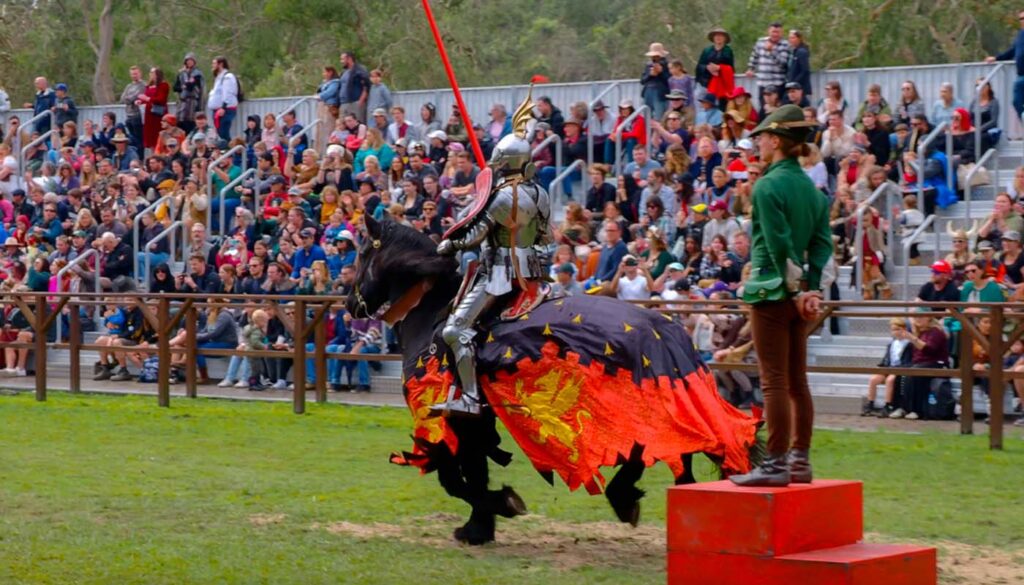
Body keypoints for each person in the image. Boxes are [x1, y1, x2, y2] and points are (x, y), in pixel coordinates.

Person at [430, 89, 552, 415]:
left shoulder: (500, 198)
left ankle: (469, 398)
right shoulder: (540, 194)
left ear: (504, 163)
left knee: (455, 330)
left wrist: (450, 243)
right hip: (534, 270)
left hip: (501, 272)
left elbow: (475, 234)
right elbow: (545, 234)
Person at [730, 104, 831, 488]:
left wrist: (793, 289)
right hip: (800, 298)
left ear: (775, 140)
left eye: (761, 137)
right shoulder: (813, 191)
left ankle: (774, 463)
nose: (757, 143)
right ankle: (800, 460)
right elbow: (821, 246)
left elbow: (777, 244)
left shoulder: (768, 185)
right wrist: (811, 289)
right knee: (796, 381)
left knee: (772, 381)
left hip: (772, 292)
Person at [986, 8, 1024, 119]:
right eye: (1021, 19)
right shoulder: (1020, 35)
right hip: (1020, 76)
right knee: (1016, 101)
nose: (1022, 20)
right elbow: (1012, 51)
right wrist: (996, 58)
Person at [745, 22, 790, 106]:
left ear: (781, 33)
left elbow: (783, 63)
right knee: (763, 108)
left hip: (778, 83)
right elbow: (754, 56)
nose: (775, 34)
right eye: (773, 32)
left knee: (777, 108)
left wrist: (771, 51)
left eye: (778, 32)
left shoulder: (785, 44)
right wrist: (751, 68)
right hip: (763, 82)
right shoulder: (760, 41)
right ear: (768, 31)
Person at [696, 26, 735, 102]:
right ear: (713, 38)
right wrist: (707, 68)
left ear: (725, 38)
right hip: (705, 83)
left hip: (721, 85)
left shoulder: (728, 51)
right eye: (716, 35)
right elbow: (699, 66)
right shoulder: (707, 51)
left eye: (721, 36)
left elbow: (731, 68)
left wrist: (719, 68)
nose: (718, 37)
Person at [136, 68, 170, 152]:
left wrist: (147, 99)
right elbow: (147, 97)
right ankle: (153, 154)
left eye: (152, 73)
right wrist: (141, 101)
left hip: (158, 115)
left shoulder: (163, 85)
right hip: (149, 115)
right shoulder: (148, 86)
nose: (150, 75)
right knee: (150, 138)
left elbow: (161, 99)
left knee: (158, 136)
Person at [207, 56, 240, 142]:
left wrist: (223, 107)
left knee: (223, 133)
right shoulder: (218, 77)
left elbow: (228, 93)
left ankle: (228, 150)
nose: (213, 65)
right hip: (218, 110)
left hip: (225, 110)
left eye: (214, 63)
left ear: (220, 64)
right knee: (220, 133)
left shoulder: (227, 76)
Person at [174, 53, 205, 134]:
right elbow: (175, 87)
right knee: (180, 125)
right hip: (182, 103)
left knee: (192, 125)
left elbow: (192, 87)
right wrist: (183, 87)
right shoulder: (181, 74)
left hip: (193, 102)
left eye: (191, 60)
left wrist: (200, 107)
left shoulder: (197, 74)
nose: (189, 62)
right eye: (188, 60)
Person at [641, 42, 671, 121]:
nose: (654, 58)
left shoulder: (666, 65)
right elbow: (642, 80)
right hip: (648, 91)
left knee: (659, 117)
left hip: (660, 93)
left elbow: (669, 80)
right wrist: (650, 75)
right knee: (647, 116)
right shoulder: (648, 65)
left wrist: (661, 72)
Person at [339, 51, 370, 122]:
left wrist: (360, 101)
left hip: (355, 102)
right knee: (342, 125)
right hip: (344, 103)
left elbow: (366, 85)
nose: (341, 61)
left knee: (357, 124)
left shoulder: (359, 70)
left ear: (349, 59)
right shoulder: (344, 71)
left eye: (343, 59)